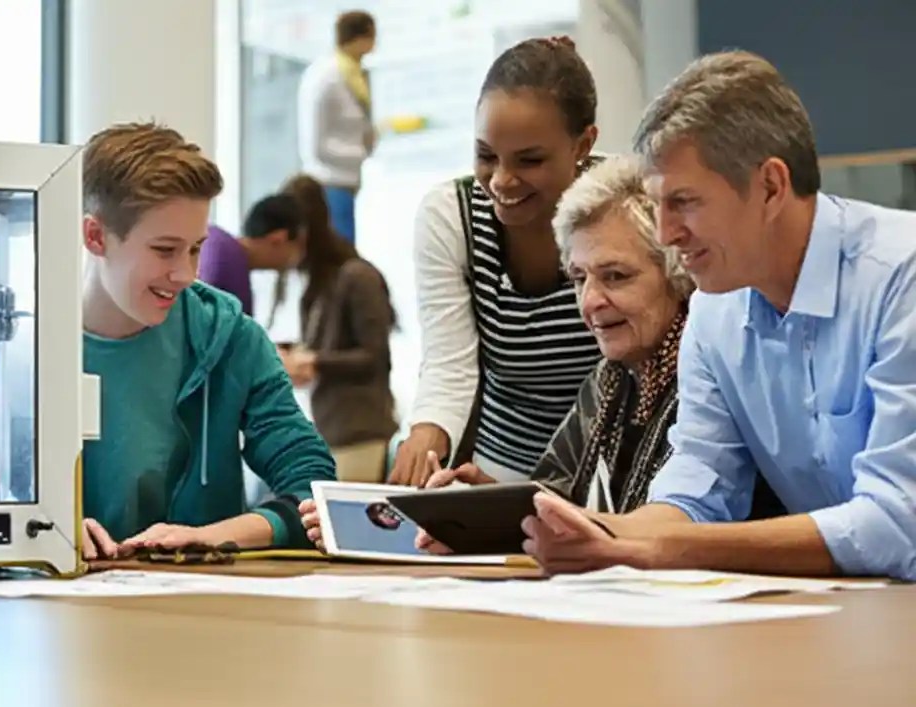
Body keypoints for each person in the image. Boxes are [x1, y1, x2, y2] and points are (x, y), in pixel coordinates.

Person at [523, 51, 916, 582]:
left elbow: (897, 522)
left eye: (684, 202)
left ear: (771, 187)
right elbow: (697, 485)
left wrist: (664, 548)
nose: (664, 234)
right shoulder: (714, 311)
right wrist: (595, 535)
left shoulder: (901, 276)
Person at [301, 155, 783, 552]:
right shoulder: (610, 380)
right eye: (578, 279)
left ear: (679, 273)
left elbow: (677, 528)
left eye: (615, 276)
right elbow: (554, 501)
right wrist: (480, 511)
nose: (590, 303)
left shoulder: (717, 371)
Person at [78, 121, 336, 561]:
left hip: (206, 601)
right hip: (64, 606)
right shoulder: (26, 345)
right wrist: (48, 526)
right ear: (96, 236)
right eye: (164, 249)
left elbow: (312, 488)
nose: (186, 274)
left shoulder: (232, 337)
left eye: (196, 248)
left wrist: (217, 535)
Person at [389, 36, 604, 489]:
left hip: (610, 477)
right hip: (497, 476)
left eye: (530, 160)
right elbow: (450, 363)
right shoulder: (450, 216)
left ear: (583, 144)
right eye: (486, 156)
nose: (502, 181)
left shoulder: (625, 208)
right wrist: (427, 432)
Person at [276, 173, 398, 482]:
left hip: (361, 433)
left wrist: (315, 361)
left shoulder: (358, 277)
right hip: (332, 432)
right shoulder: (319, 285)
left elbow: (374, 356)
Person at [297, 9, 377, 244]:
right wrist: (360, 152)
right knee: (338, 253)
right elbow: (315, 143)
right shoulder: (326, 76)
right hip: (329, 180)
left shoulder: (354, 74)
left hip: (347, 178)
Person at [197, 194, 305, 318]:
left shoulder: (212, 238)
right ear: (278, 239)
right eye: (300, 246)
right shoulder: (231, 271)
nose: (301, 256)